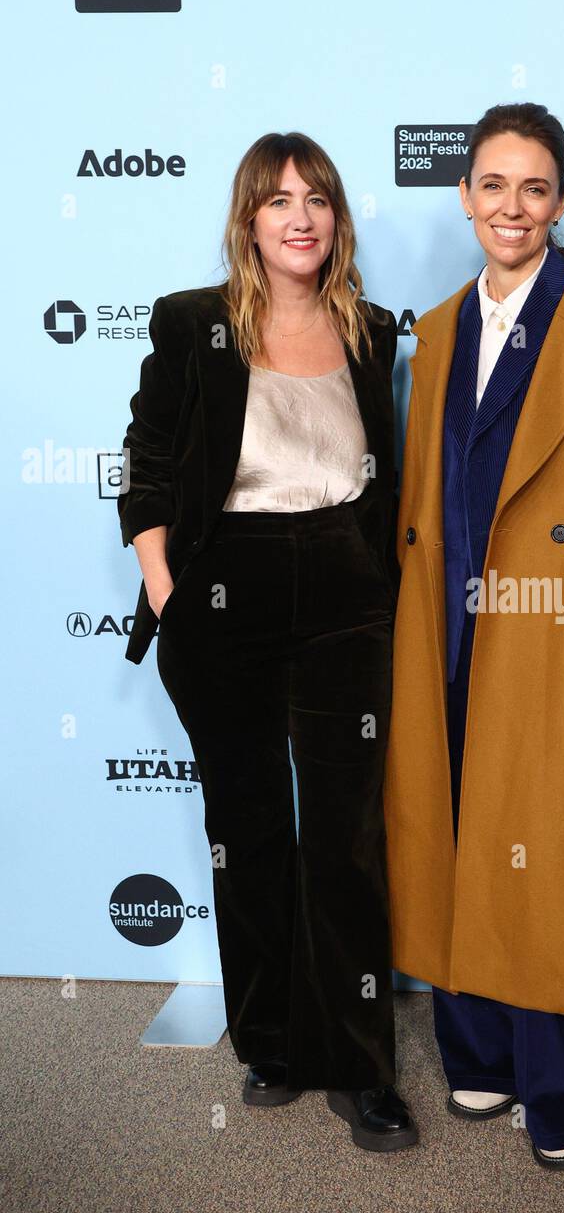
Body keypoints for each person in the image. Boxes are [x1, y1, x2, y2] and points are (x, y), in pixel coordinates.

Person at [117, 132, 417, 1152]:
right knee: (245, 830)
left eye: (317, 197)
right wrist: (168, 589)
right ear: (248, 218)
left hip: (344, 595)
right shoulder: (194, 323)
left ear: (335, 216)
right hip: (221, 601)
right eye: (277, 198)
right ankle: (274, 1043)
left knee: (345, 836)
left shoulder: (371, 330)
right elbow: (149, 464)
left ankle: (362, 1067)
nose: (300, 214)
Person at [384, 104, 564, 1169]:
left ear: (560, 198)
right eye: (493, 186)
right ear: (465, 197)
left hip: (552, 632)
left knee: (548, 849)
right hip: (444, 625)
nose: (513, 207)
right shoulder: (439, 325)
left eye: (534, 187)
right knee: (450, 823)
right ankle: (476, 1046)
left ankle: (551, 1078)